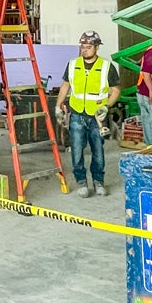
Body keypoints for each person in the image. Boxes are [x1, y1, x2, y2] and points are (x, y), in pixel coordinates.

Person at [55, 31, 122, 197]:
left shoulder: (106, 66)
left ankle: (98, 181)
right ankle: (81, 182)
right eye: (82, 46)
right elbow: (65, 85)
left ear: (97, 47)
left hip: (97, 117)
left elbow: (115, 90)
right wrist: (58, 105)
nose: (84, 50)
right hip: (77, 114)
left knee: (98, 151)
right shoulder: (73, 64)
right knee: (77, 150)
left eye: (88, 47)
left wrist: (107, 106)